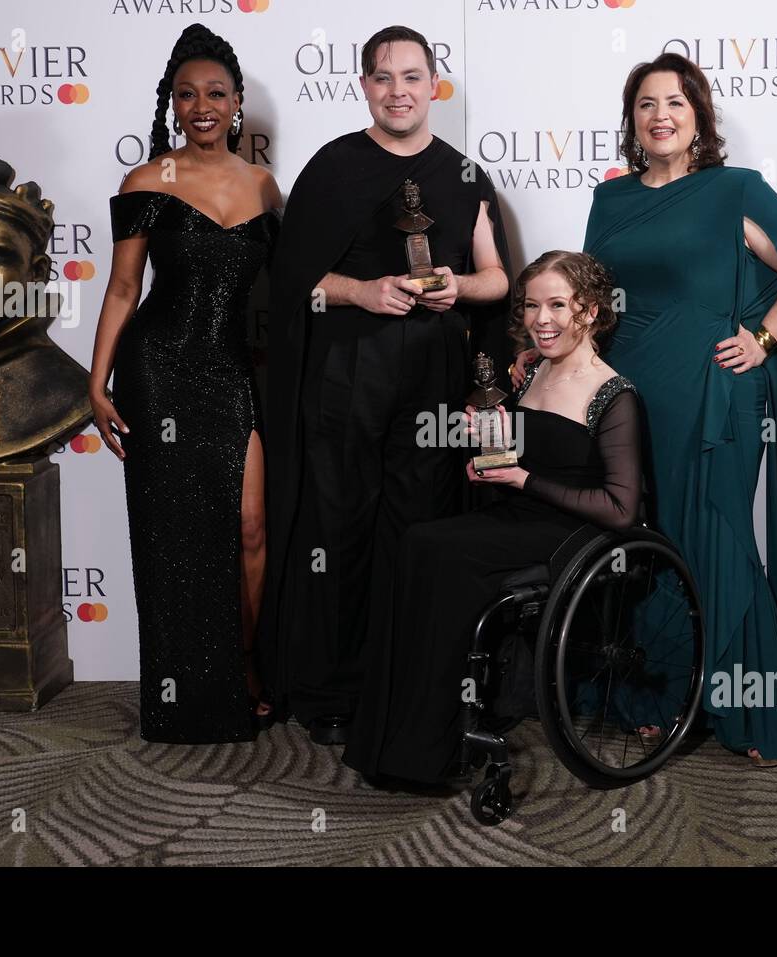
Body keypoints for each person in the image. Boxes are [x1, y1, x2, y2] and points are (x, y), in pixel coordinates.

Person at [581, 53, 777, 766]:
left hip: (714, 393)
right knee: (649, 542)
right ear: (631, 120)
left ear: (699, 115)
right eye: (645, 103)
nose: (660, 114)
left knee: (717, 539)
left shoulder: (734, 191)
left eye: (675, 101)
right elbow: (594, 302)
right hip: (630, 397)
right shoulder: (609, 199)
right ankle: (662, 695)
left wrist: (765, 337)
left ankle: (753, 711)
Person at [262, 25, 516, 745]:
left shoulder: (466, 175)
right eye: (383, 77)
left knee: (419, 525)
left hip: (433, 379)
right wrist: (360, 292)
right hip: (345, 375)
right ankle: (332, 690)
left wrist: (456, 285)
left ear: (433, 85)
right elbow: (290, 282)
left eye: (411, 77)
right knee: (337, 530)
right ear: (364, 87)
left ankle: (408, 682)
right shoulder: (333, 168)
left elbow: (498, 277)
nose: (398, 90)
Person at [344, 250, 641, 784]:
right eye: (531, 306)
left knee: (440, 552)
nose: (540, 320)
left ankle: (429, 746)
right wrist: (490, 439)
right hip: (515, 514)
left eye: (557, 305)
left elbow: (620, 509)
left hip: (571, 533)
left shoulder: (612, 394)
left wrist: (522, 478)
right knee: (413, 539)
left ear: (590, 311)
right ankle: (397, 734)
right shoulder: (531, 373)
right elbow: (523, 452)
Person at [88, 23, 281, 743]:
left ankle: (241, 663)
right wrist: (96, 383)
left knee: (251, 528)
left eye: (216, 93)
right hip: (158, 370)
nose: (201, 106)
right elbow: (121, 289)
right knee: (175, 537)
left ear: (237, 105)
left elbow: (287, 290)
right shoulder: (145, 181)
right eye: (186, 94)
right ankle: (184, 694)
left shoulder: (264, 185)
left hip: (230, 371)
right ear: (172, 104)